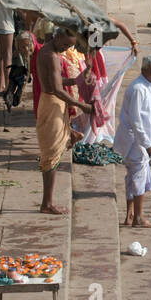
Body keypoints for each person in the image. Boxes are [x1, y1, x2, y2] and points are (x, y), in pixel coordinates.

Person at [35, 26, 94, 215]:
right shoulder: (50, 55)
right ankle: (47, 204)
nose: (65, 50)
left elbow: (58, 82)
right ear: (58, 36)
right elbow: (57, 89)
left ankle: (70, 137)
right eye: (65, 45)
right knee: (51, 155)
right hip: (51, 103)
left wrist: (77, 80)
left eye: (70, 46)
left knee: (56, 150)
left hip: (53, 102)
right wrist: (82, 106)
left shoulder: (50, 50)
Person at [115, 57, 151, 227]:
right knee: (138, 178)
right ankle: (138, 217)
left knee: (132, 178)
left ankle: (130, 215)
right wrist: (147, 144)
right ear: (144, 70)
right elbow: (136, 121)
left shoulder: (148, 87)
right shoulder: (138, 88)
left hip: (138, 140)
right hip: (136, 142)